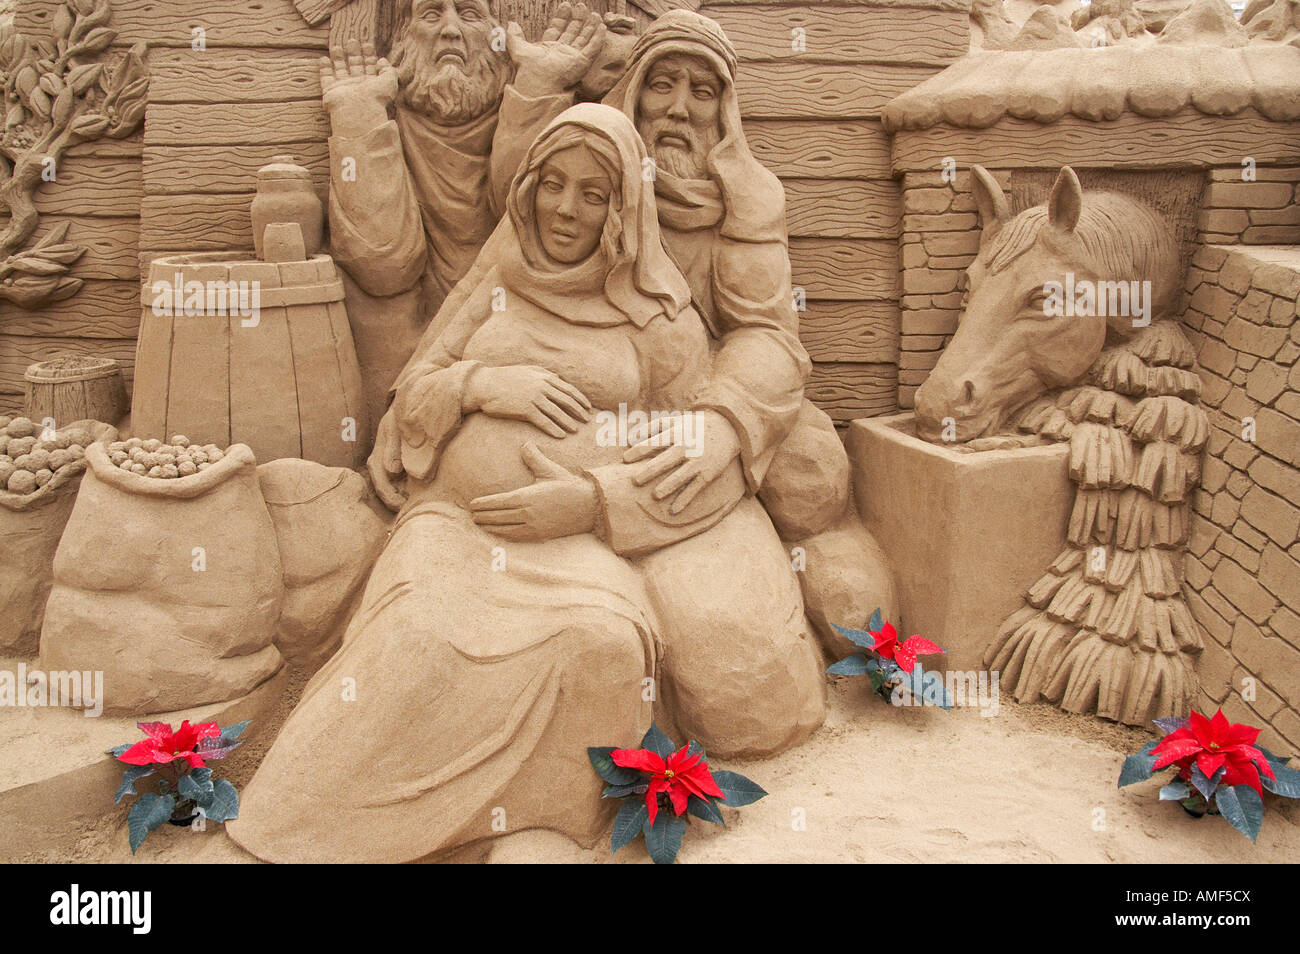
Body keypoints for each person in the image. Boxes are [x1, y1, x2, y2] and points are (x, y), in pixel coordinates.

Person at [226, 104, 821, 863]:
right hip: (457, 527)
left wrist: (592, 505)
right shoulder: (497, 284)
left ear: (622, 210)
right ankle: (304, 829)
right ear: (531, 186)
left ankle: (541, 822)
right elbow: (412, 396)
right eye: (553, 185)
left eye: (593, 193)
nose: (566, 209)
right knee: (414, 641)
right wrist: (481, 385)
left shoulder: (660, 317)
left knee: (600, 646)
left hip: (581, 550)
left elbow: (697, 469)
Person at [320, 0, 623, 426]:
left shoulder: (528, 105)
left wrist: (541, 85)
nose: (450, 30)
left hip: (519, 342)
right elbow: (382, 262)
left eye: (468, 14)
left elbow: (523, 217)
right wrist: (357, 117)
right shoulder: (384, 115)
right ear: (404, 38)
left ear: (498, 38)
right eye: (431, 14)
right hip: (412, 355)